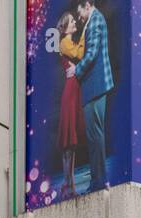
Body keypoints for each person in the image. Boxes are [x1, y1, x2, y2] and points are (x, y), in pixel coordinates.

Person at [74, 0, 114, 192]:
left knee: (94, 136)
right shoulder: (94, 20)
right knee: (95, 135)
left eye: (79, 11)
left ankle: (98, 182)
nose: (79, 16)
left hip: (95, 86)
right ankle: (98, 180)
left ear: (87, 5)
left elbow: (91, 54)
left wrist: (76, 71)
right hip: (96, 85)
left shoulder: (95, 20)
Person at [55, 12, 86, 198]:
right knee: (68, 144)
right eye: (72, 21)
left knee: (71, 145)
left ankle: (70, 186)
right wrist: (83, 36)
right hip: (70, 93)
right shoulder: (66, 42)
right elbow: (78, 54)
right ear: (66, 27)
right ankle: (68, 186)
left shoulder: (69, 41)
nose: (75, 22)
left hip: (74, 91)